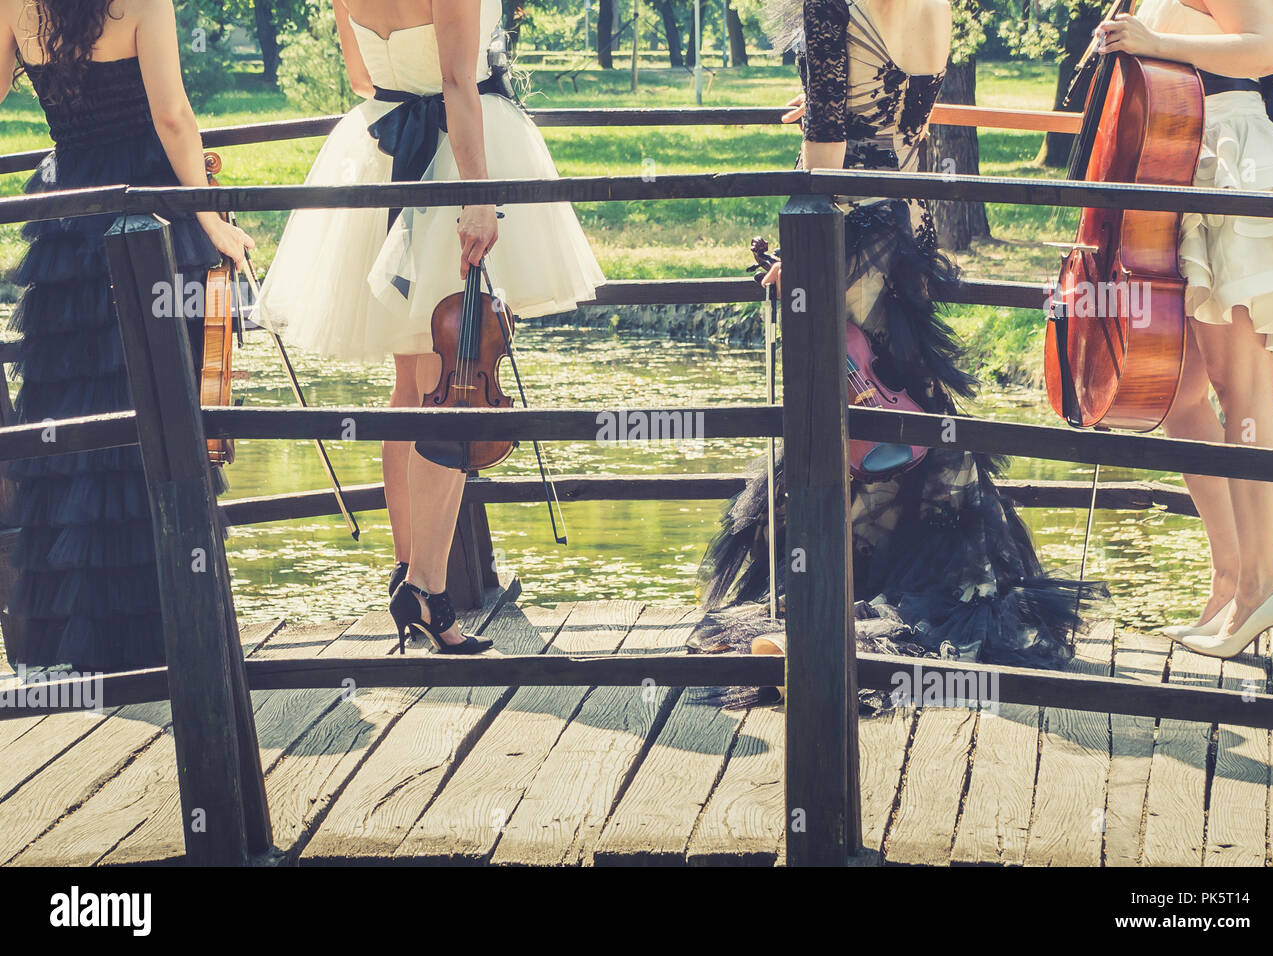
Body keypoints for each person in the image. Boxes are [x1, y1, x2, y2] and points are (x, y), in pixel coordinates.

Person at [688, 0, 1101, 709]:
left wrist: (800, 249)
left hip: (843, 227)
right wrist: (835, 109)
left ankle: (826, 617)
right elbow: (904, 110)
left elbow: (823, 156)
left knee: (840, 415)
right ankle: (873, 595)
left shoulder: (829, 7)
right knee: (897, 406)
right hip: (905, 226)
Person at [253, 0, 603, 653]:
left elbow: (362, 78)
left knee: (412, 389)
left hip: (384, 153)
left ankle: (406, 572)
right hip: (451, 159)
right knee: (452, 392)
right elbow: (456, 82)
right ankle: (428, 590)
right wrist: (478, 195)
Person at [0, 0, 253, 671]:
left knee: (68, 418)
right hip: (147, 213)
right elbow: (172, 116)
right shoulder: (142, 2)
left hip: (65, 217)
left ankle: (76, 642)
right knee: (161, 417)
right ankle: (170, 632)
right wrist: (208, 217)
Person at [1100, 0, 1273, 660]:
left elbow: (1263, 52)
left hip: (1228, 155)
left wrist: (1154, 38)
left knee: (1243, 392)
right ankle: (1229, 580)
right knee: (1183, 396)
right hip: (1180, 161)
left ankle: (1262, 589)